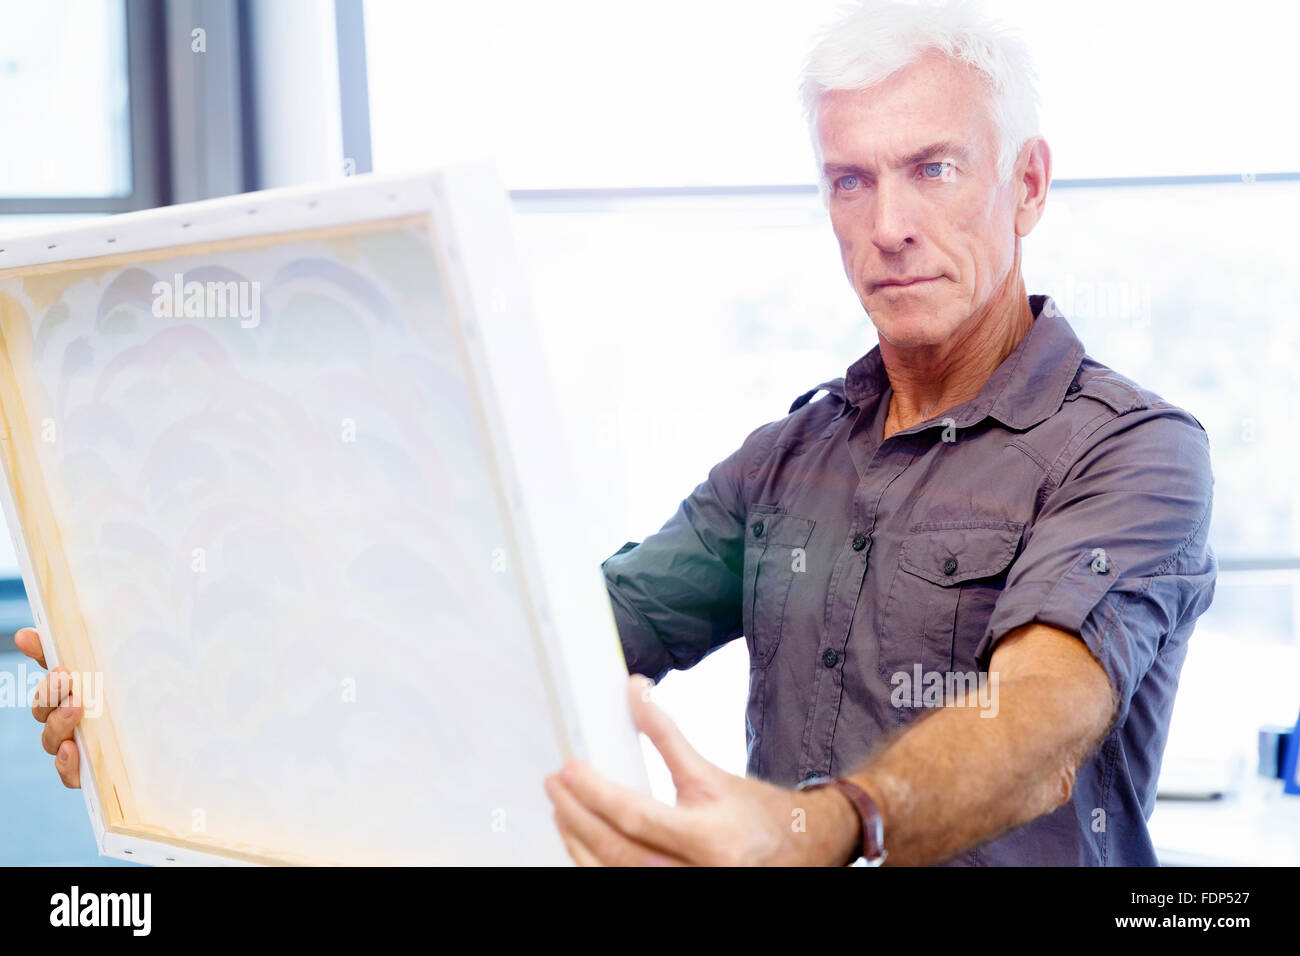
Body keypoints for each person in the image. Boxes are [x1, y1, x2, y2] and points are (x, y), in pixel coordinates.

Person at [542, 0, 1216, 865]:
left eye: (933, 169)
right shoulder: (783, 464)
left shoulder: (1132, 451)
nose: (887, 227)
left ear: (1029, 186)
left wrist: (827, 827)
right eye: (850, 180)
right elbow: (585, 631)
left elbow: (1037, 719)